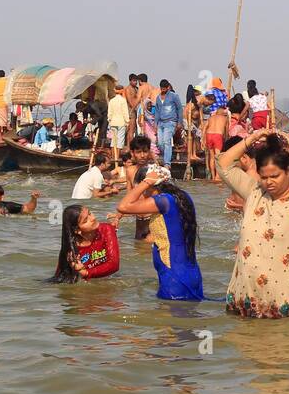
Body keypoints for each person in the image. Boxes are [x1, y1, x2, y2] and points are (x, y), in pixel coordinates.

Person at [219, 129, 289, 318]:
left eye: (275, 176)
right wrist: (251, 139)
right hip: (248, 298)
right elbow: (223, 165)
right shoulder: (255, 193)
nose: (268, 182)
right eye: (264, 177)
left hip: (287, 299)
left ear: (288, 171)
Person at [116, 169, 206, 300]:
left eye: (141, 188)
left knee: (168, 319)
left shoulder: (163, 201)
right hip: (190, 273)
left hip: (174, 277)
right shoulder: (182, 197)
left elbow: (123, 206)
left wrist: (146, 181)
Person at [50, 205, 120, 282]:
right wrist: (78, 270)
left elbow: (114, 264)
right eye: (86, 220)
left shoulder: (106, 229)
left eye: (90, 213)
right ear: (77, 230)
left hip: (106, 280)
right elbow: (61, 276)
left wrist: (86, 273)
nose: (93, 218)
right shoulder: (72, 249)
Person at [154, 79, 181, 167]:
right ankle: (167, 156)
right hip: (161, 123)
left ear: (168, 87)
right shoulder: (158, 98)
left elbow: (180, 108)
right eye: (162, 88)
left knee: (167, 141)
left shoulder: (174, 96)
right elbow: (157, 111)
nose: (163, 90)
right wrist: (155, 124)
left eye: (165, 88)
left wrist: (179, 122)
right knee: (160, 143)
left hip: (170, 122)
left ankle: (167, 163)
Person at [107, 83, 129, 154]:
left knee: (114, 140)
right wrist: (127, 121)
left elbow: (109, 113)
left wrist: (109, 120)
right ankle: (117, 157)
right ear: (122, 91)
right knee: (120, 141)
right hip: (121, 122)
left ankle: (113, 156)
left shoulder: (111, 100)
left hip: (113, 122)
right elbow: (125, 112)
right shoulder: (123, 100)